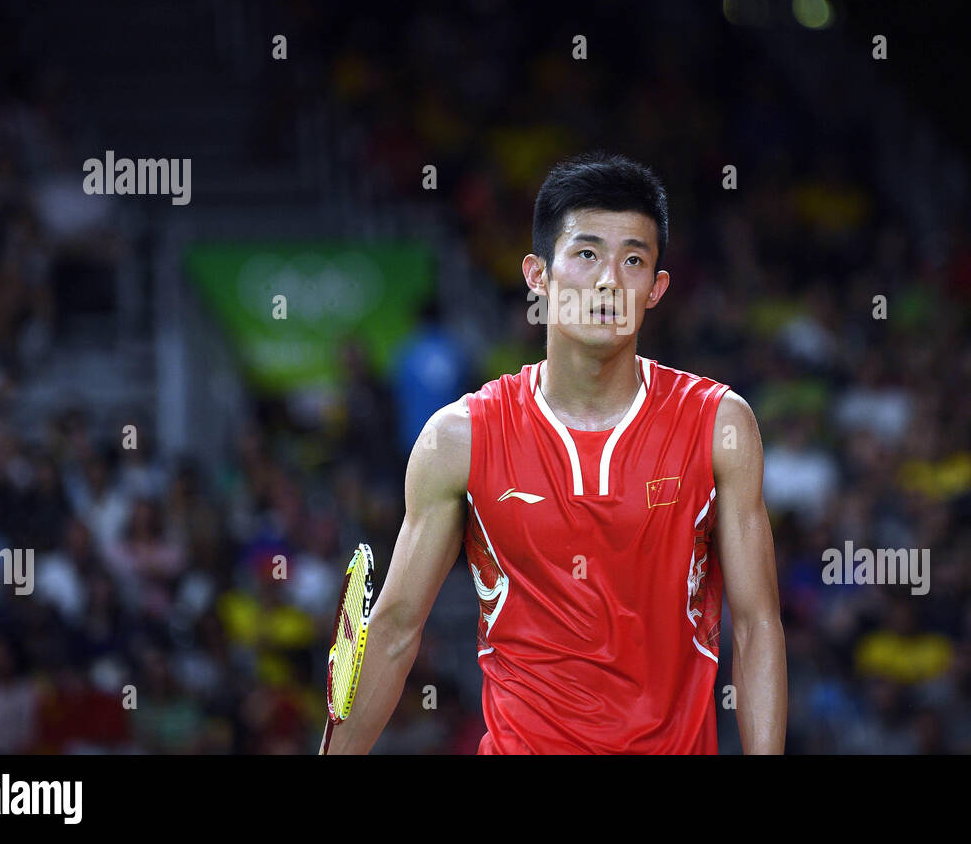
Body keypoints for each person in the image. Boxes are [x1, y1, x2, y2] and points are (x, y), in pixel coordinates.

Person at [328, 151, 785, 754]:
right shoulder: (459, 439)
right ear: (538, 274)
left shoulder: (718, 426)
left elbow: (756, 628)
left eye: (633, 261)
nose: (607, 281)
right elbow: (392, 632)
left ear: (657, 288)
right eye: (586, 253)